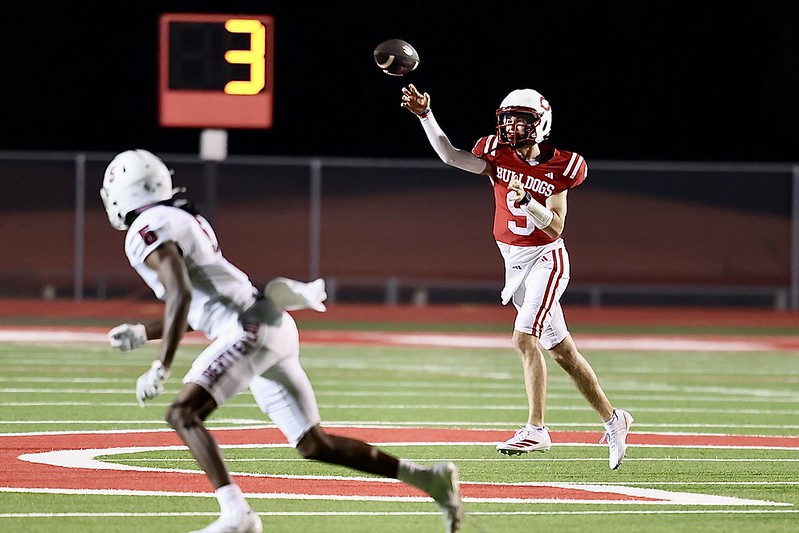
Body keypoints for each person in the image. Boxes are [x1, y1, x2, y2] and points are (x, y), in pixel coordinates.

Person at [101, 149, 463, 533]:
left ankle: (237, 514)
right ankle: (428, 479)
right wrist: (146, 332)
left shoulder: (148, 227)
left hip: (249, 329)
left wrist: (162, 364)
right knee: (314, 444)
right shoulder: (179, 217)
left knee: (182, 414)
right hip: (268, 324)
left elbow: (181, 295)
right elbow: (202, 304)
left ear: (127, 191)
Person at [401, 84, 633, 470]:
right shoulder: (496, 154)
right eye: (507, 118)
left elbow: (555, 228)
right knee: (564, 354)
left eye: (521, 120)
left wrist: (531, 204)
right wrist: (426, 115)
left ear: (541, 124)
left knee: (523, 338)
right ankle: (615, 420)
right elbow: (450, 156)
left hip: (547, 259)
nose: (511, 126)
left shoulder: (564, 166)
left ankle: (536, 429)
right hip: (514, 263)